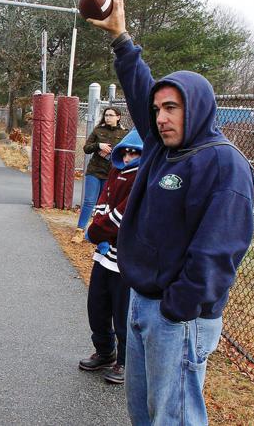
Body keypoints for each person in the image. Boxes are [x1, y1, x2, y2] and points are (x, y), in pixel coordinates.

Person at [88, 0, 254, 425]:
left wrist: (178, 307)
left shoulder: (222, 163)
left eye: (172, 108)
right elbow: (140, 85)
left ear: (196, 109)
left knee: (175, 418)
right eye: (158, 109)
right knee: (144, 414)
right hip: (143, 303)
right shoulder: (162, 148)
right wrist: (122, 40)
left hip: (178, 316)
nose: (161, 117)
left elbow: (220, 251)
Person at [79, 128, 142, 386]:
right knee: (97, 306)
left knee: (123, 312)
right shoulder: (116, 171)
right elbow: (104, 204)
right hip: (104, 254)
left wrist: (97, 230)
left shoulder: (143, 178)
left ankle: (126, 361)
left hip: (126, 259)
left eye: (135, 151)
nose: (128, 156)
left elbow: (124, 216)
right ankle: (105, 351)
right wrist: (99, 229)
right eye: (125, 150)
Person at [72, 107, 128, 243]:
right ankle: (79, 231)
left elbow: (127, 152)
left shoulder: (125, 133)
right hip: (95, 171)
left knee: (104, 204)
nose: (108, 117)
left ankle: (96, 234)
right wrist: (99, 146)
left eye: (111, 115)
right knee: (89, 201)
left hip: (112, 173)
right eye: (106, 115)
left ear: (118, 117)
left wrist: (113, 152)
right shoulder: (98, 130)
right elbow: (86, 148)